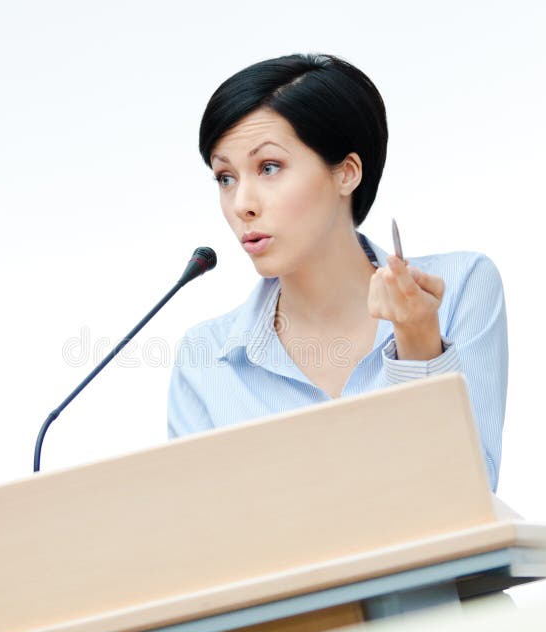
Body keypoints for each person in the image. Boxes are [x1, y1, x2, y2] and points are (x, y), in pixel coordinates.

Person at [167, 54, 507, 491]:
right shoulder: (206, 358)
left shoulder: (462, 286)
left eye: (269, 168)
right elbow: (199, 526)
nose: (242, 204)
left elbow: (465, 494)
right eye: (225, 177)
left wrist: (418, 337)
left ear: (347, 173)